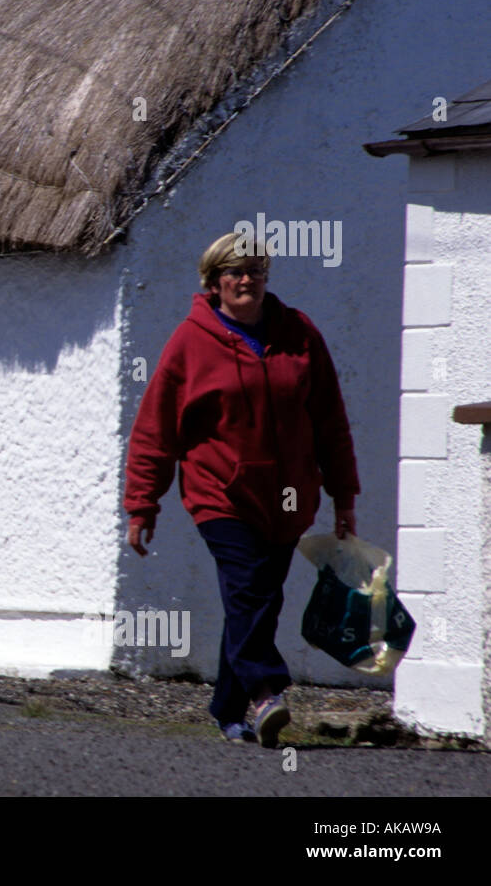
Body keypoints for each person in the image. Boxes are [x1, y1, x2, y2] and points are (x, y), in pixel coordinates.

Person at [124, 232, 360, 747]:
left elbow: (330, 422)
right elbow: (155, 429)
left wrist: (344, 498)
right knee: (249, 586)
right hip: (220, 495)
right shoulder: (189, 342)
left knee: (257, 602)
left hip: (288, 499)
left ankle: (228, 710)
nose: (247, 279)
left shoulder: (299, 334)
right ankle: (266, 693)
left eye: (255, 270)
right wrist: (142, 504)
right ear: (214, 283)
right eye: (235, 272)